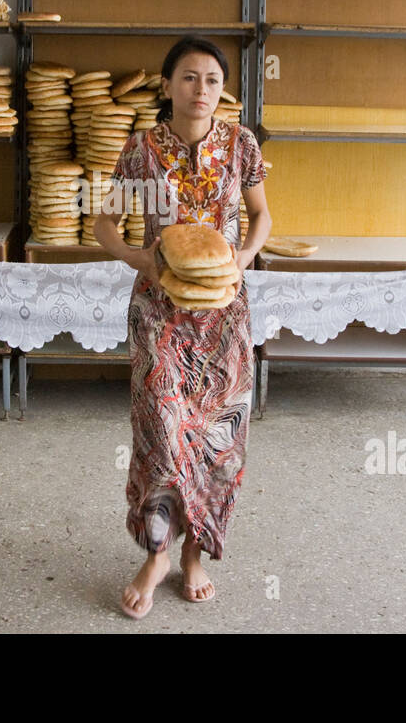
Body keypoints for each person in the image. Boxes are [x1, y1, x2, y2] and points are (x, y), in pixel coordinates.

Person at [94, 35, 271, 619]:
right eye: (190, 78)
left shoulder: (240, 144)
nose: (202, 90)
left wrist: (237, 264)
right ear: (167, 85)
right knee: (162, 433)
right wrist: (141, 258)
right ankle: (156, 553)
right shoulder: (143, 151)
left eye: (214, 80)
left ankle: (197, 551)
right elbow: (107, 224)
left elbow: (262, 215)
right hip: (157, 313)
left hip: (224, 316)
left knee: (219, 439)